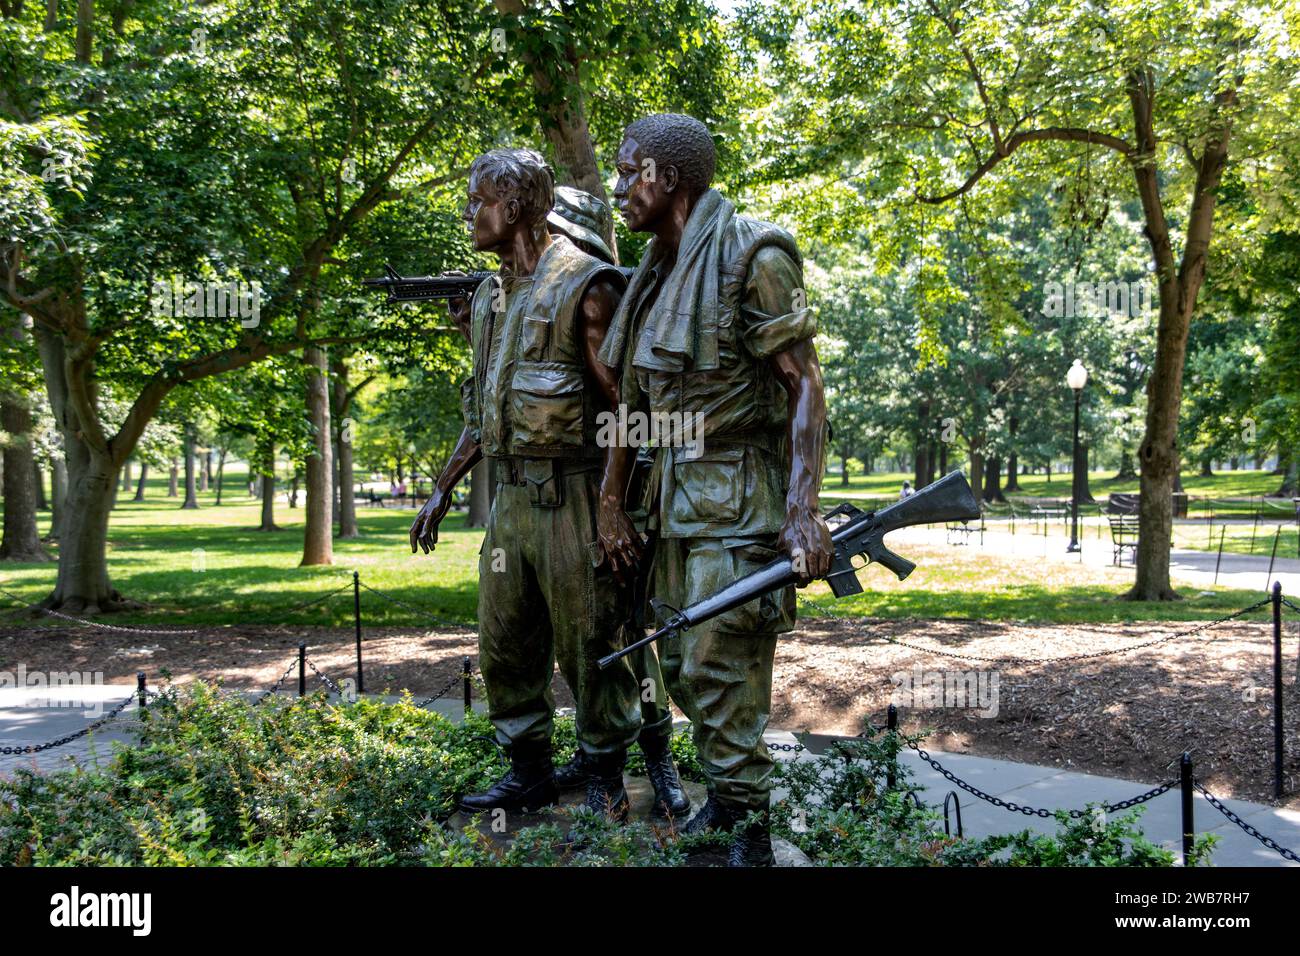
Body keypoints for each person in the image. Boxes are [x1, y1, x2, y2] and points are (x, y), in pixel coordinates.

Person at [601, 113, 832, 865]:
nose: (617, 187)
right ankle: (727, 803)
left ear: (668, 178)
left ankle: (750, 835)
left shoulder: (751, 252)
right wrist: (613, 502)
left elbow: (804, 387)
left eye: (629, 170)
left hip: (737, 499)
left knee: (719, 664)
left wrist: (803, 510)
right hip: (672, 501)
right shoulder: (655, 272)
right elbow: (634, 408)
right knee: (680, 662)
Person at [409, 148, 642, 823]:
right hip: (508, 504)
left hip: (570, 496)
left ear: (513, 205)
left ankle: (604, 773)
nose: (467, 213)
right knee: (504, 643)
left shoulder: (587, 284)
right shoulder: (488, 297)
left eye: (477, 199)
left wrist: (609, 506)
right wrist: (442, 488)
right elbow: (487, 411)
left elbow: (628, 405)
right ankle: (529, 773)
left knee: (590, 643)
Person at [542, 184, 690, 819]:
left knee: (632, 629)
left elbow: (631, 411)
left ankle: (658, 754)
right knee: (586, 634)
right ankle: (601, 749)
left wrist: (615, 507)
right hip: (584, 493)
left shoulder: (602, 294)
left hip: (625, 493)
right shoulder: (552, 297)